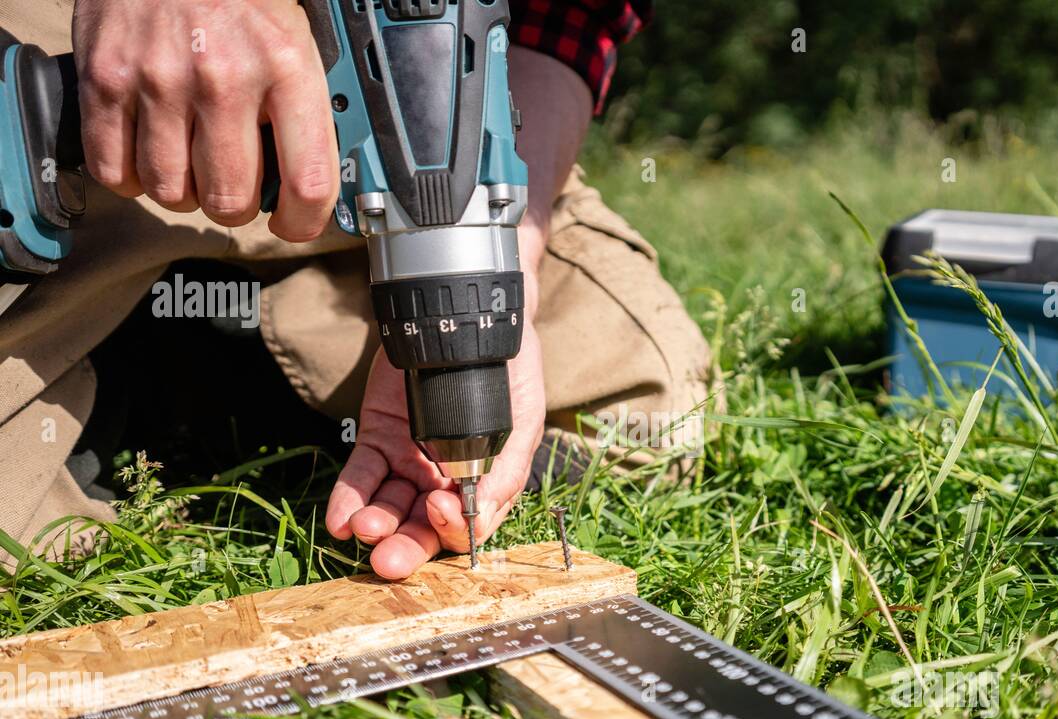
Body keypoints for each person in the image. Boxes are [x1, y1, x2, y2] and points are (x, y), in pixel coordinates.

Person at [0, 0, 711, 579]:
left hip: (368, 120)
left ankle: (165, 326)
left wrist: (500, 266)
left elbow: (564, 21)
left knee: (649, 400)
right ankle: (134, 317)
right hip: (94, 42)